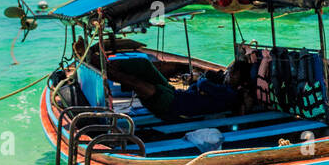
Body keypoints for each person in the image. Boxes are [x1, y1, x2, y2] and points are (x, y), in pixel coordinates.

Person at [104, 56, 249, 122]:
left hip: (174, 106)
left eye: (232, 73)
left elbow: (202, 84)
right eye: (229, 70)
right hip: (174, 94)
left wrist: (202, 81)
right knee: (144, 64)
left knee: (137, 82)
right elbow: (199, 85)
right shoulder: (221, 87)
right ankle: (104, 63)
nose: (228, 74)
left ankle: (105, 70)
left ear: (240, 79)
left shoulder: (230, 94)